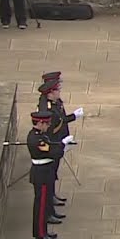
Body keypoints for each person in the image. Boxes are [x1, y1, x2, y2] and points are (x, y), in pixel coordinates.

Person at [39, 75, 82, 205]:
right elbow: (58, 122)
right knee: (51, 172)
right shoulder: (48, 107)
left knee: (54, 171)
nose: (59, 91)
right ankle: (50, 198)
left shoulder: (56, 101)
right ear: (51, 92)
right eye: (57, 89)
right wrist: (74, 116)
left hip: (60, 139)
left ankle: (52, 195)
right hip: (54, 141)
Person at [27, 109, 65, 239]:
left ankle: (43, 232)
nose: (48, 126)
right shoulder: (36, 139)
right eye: (47, 123)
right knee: (41, 206)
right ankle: (40, 235)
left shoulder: (41, 135)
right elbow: (52, 152)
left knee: (44, 204)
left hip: (45, 173)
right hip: (41, 174)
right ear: (41, 123)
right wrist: (62, 148)